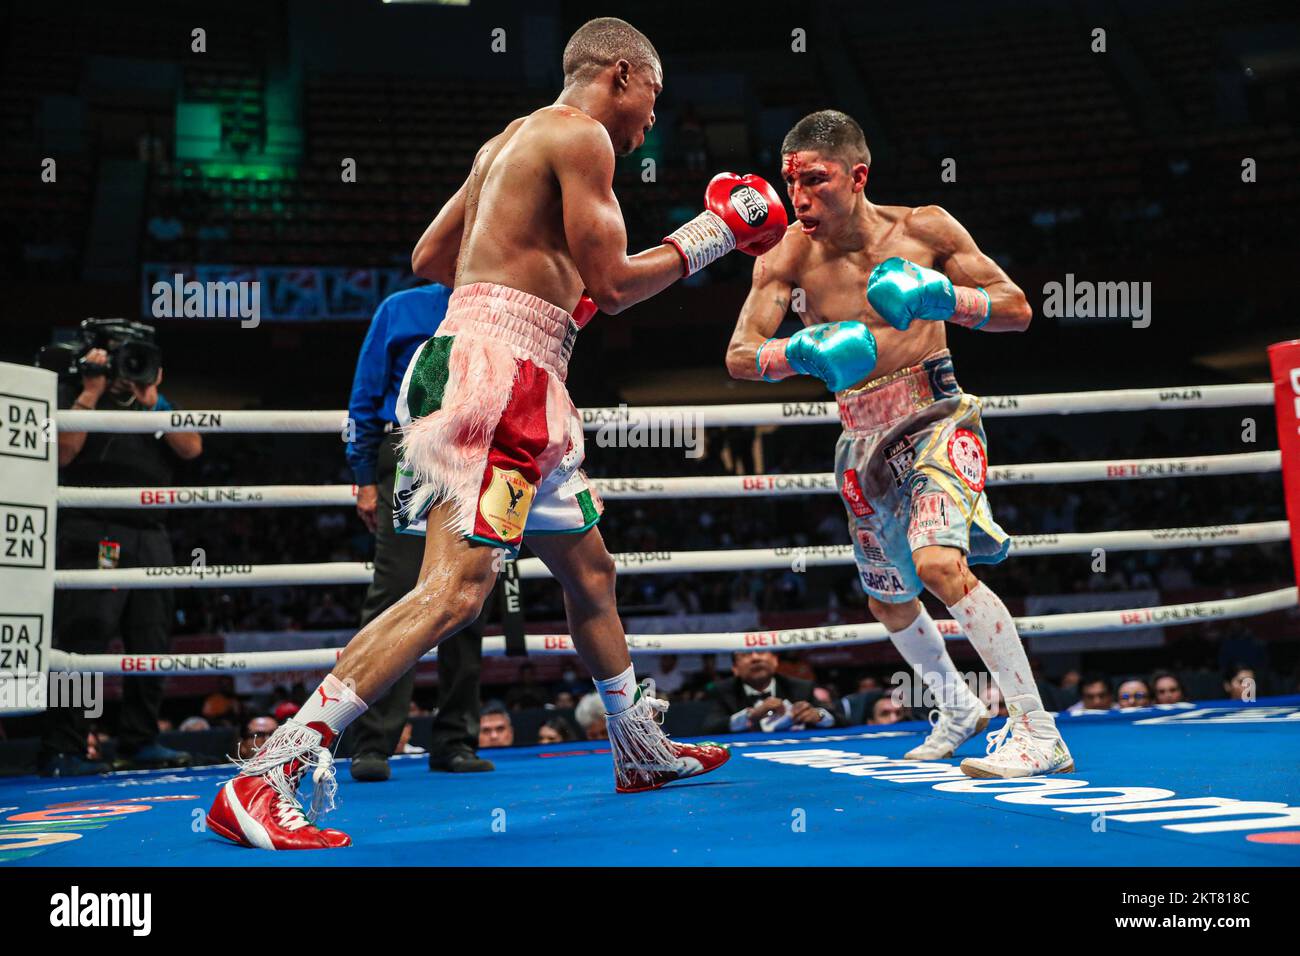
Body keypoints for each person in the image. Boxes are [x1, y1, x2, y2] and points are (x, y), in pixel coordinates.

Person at [207, 17, 785, 850]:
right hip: (499, 378)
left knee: (590, 572)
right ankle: (270, 772)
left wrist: (535, 283)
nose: (651, 119)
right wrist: (715, 235)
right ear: (621, 74)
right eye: (653, 98)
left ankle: (636, 746)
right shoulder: (583, 135)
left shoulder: (506, 142)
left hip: (510, 369)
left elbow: (432, 257)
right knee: (455, 592)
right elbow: (617, 286)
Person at [726, 110, 1073, 778]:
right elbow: (740, 355)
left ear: (858, 176)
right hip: (859, 436)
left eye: (816, 181)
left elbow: (1018, 309)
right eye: (790, 182)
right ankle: (956, 706)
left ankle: (1036, 728)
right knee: (888, 596)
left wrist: (946, 299)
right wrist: (798, 350)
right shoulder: (785, 255)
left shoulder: (926, 228)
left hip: (936, 415)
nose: (798, 199)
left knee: (939, 565)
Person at [344, 283, 492, 782]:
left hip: (481, 452)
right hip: (410, 450)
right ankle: (372, 741)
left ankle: (454, 740)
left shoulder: (503, 303)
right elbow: (366, 396)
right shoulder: (401, 308)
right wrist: (364, 477)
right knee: (397, 591)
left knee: (469, 590)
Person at [42, 330, 201, 775]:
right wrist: (91, 391)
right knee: (84, 641)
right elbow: (63, 455)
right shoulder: (76, 396)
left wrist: (154, 400)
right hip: (96, 533)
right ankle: (64, 747)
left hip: (150, 533)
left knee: (151, 639)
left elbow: (192, 448)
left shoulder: (155, 405)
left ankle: (140, 739)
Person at [702, 651, 846, 735]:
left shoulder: (800, 687)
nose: (755, 658)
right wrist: (750, 716)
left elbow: (842, 720)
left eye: (761, 651)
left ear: (775, 661)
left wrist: (818, 716)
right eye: (746, 654)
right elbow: (708, 729)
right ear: (735, 668)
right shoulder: (722, 690)